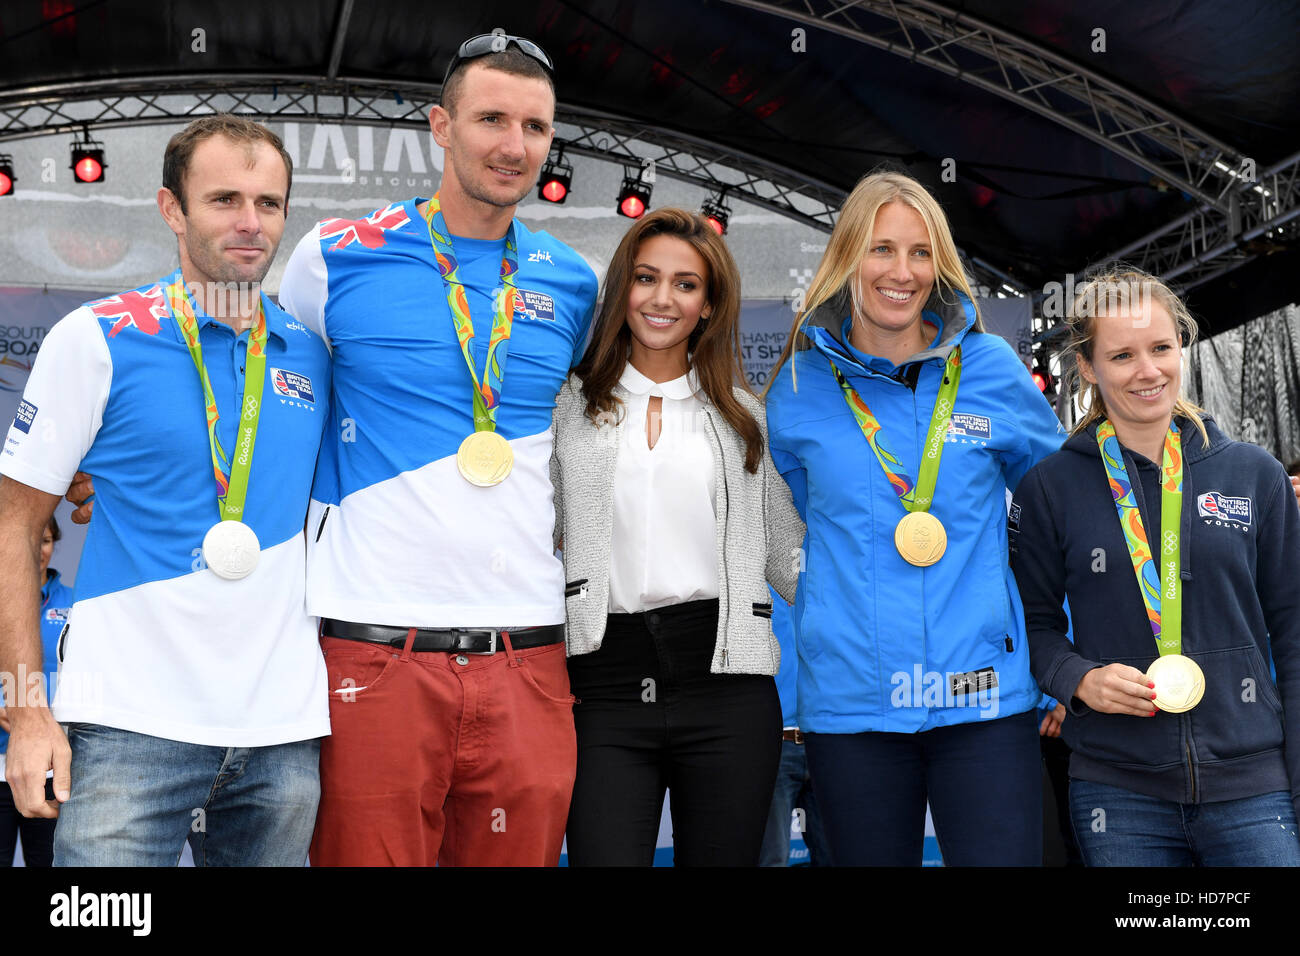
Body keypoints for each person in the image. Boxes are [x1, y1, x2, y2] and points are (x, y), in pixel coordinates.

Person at [274, 34, 599, 866]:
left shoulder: (572, 280)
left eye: (534, 126)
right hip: (374, 651)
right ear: (440, 127)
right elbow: (269, 403)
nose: (513, 145)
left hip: (527, 653)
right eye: (491, 118)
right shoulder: (334, 257)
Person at [0, 114, 330, 866]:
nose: (250, 224)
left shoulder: (311, 355)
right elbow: (12, 529)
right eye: (223, 200)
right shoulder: (95, 338)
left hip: (280, 737)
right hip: (125, 728)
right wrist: (26, 712)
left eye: (268, 203)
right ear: (171, 209)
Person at [763, 170, 1066, 866]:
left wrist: (1060, 656)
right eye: (881, 249)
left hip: (982, 698)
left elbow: (1061, 515)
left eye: (921, 252)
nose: (902, 271)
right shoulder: (801, 386)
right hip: (852, 703)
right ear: (847, 259)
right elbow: (791, 531)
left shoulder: (989, 367)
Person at [1010, 269, 1300, 866]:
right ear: (1088, 367)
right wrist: (1077, 679)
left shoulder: (1254, 475)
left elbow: (1294, 631)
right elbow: (1029, 624)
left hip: (1253, 785)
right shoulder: (1050, 487)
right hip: (1119, 792)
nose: (1148, 371)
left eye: (1162, 348)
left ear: (1182, 347)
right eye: (1122, 355)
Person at [550, 208, 802, 866]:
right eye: (646, 278)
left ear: (710, 305)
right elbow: (534, 532)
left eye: (686, 284)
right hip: (600, 686)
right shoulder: (567, 408)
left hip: (730, 688)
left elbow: (793, 560)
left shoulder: (747, 418)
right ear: (621, 289)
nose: (663, 299)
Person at [0, 517, 69, 867]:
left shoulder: (76, 604)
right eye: (31, 538)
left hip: (50, 768)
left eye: (45, 540)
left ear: (55, 544)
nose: (38, 550)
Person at [758, 587, 832, 867]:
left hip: (827, 740)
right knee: (771, 858)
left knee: (836, 855)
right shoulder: (754, 588)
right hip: (775, 746)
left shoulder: (824, 585)